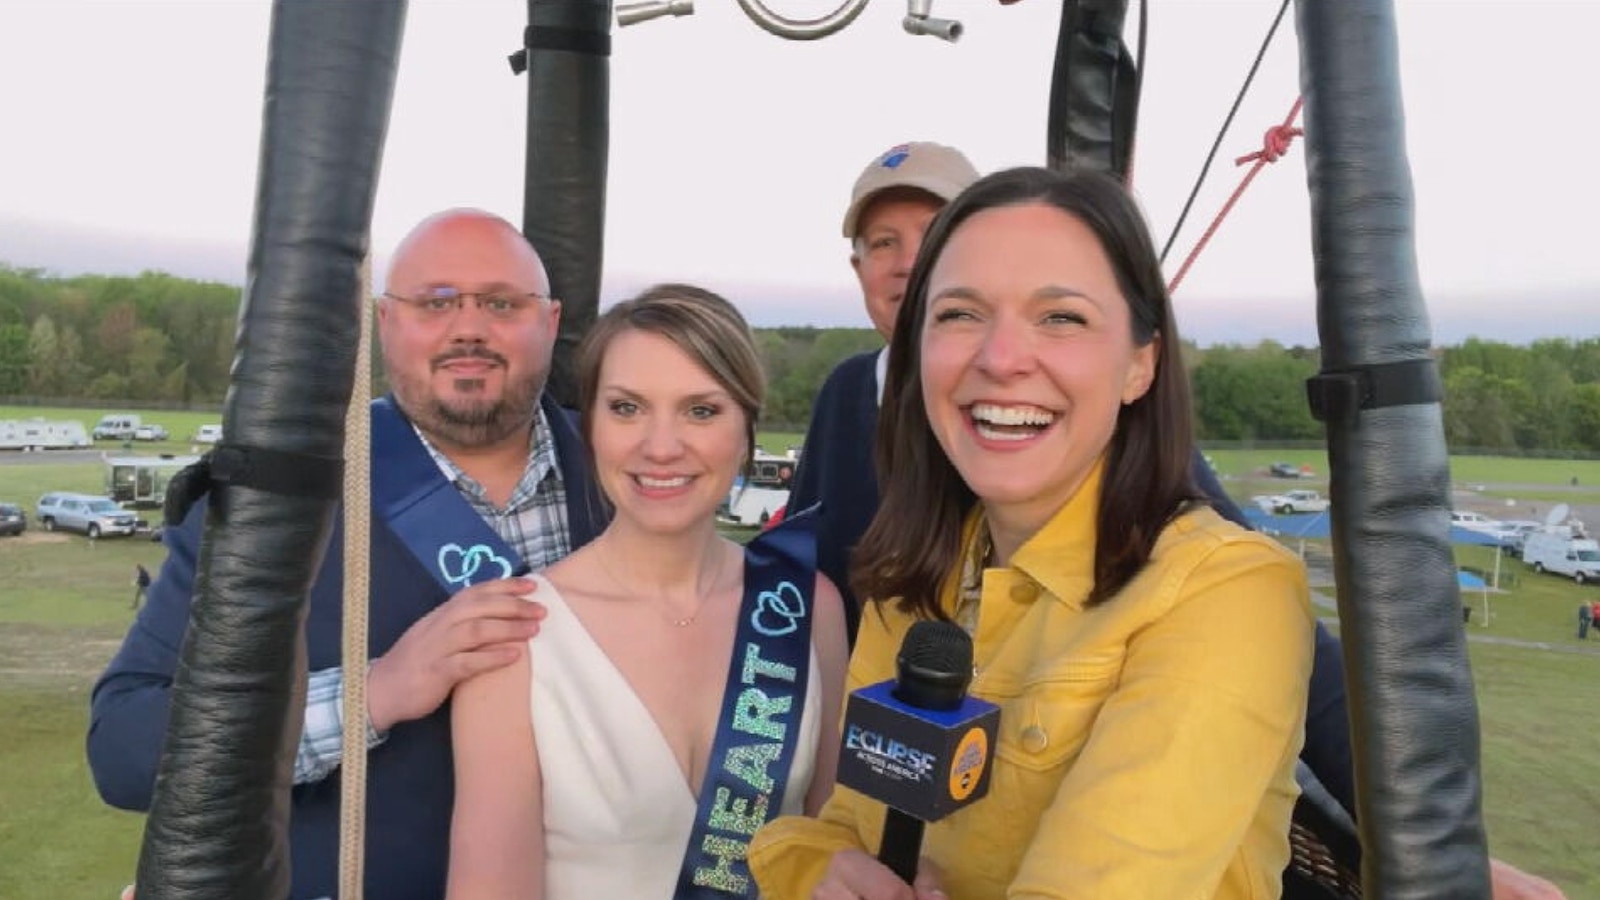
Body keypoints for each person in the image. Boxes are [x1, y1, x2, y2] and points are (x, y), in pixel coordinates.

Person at [754, 166, 1317, 897]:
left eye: (1061, 318)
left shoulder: (1224, 596)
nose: (1000, 359)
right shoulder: (914, 581)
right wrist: (820, 871)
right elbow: (848, 828)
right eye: (959, 314)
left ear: (1140, 365)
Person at [86, 208, 607, 900]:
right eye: (436, 302)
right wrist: (375, 693)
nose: (470, 328)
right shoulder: (272, 498)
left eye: (502, 303)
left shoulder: (630, 475)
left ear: (550, 320)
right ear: (383, 321)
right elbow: (122, 749)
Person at [446, 284, 849, 899]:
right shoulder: (516, 634)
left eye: (701, 410)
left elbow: (834, 857)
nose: (661, 446)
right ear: (592, 429)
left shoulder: (807, 607)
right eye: (628, 408)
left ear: (747, 429)